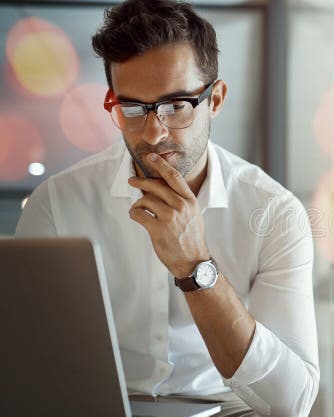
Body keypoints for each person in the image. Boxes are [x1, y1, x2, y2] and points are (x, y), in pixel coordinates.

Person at [15, 1, 318, 416]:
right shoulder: (57, 203)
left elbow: (292, 401)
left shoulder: (273, 212)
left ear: (215, 100)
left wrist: (195, 267)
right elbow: (24, 364)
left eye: (175, 105)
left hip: (226, 407)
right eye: (132, 108)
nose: (154, 132)